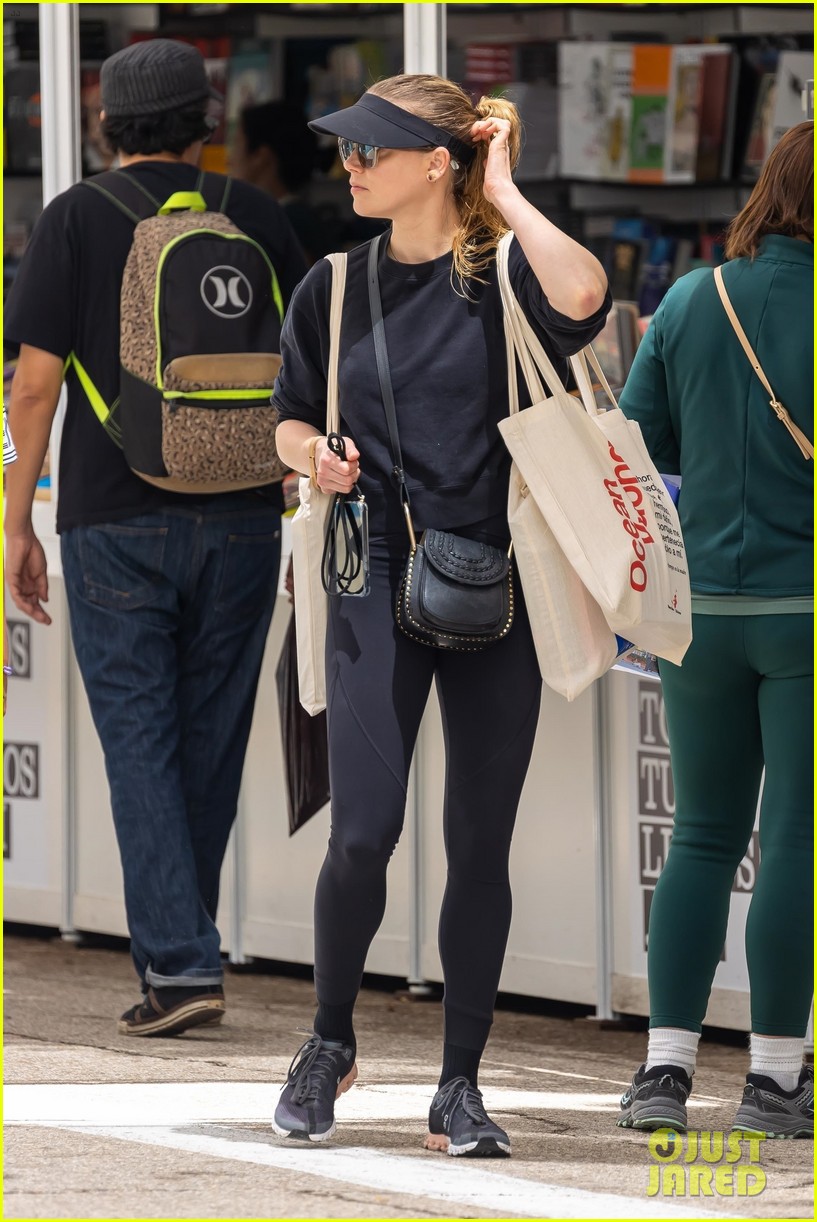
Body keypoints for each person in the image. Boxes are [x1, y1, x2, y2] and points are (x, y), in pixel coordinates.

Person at [271, 73, 611, 1155]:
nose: (351, 167)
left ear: (437, 164)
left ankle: (459, 1082)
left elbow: (588, 293)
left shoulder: (505, 276)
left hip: (494, 580)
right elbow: (283, 421)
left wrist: (502, 189)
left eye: (371, 150)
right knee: (364, 831)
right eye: (348, 151)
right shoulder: (329, 283)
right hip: (369, 568)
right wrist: (312, 460)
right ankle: (329, 1040)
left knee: (479, 841)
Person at [3, 39, 307, 1037]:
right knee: (208, 746)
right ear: (206, 119)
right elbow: (306, 360)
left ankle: (180, 966)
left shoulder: (74, 217)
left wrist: (17, 518)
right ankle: (187, 951)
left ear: (103, 123)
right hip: (244, 513)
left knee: (140, 743)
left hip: (112, 515)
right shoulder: (254, 214)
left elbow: (36, 382)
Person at [616, 121, 813, 1137]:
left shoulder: (693, 298)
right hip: (807, 615)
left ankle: (662, 1070)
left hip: (698, 614)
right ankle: (776, 1079)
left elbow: (633, 443)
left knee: (698, 836)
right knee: (793, 838)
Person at [232, 100, 336, 264]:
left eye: (237, 143)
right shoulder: (290, 218)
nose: (230, 157)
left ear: (261, 156)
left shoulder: (289, 223)